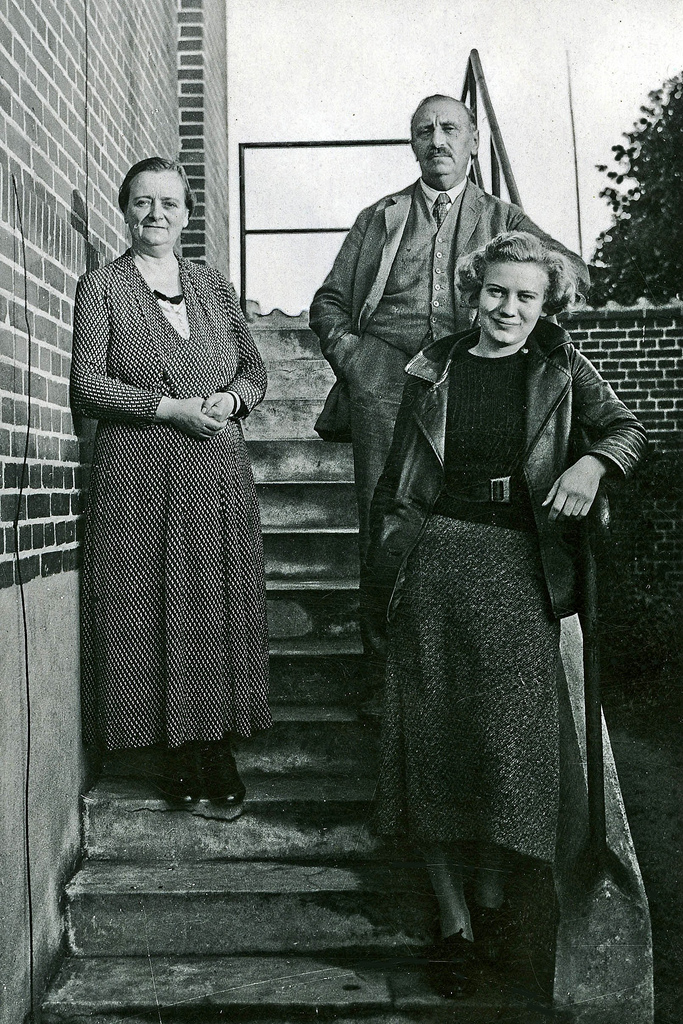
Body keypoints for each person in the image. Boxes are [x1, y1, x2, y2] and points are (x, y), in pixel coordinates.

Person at [363, 232, 646, 997]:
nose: (507, 308)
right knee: (434, 748)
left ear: (544, 302)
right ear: (472, 291)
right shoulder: (434, 367)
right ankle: (454, 924)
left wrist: (588, 462)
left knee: (502, 753)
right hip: (434, 566)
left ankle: (492, 910)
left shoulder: (559, 365)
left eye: (524, 296)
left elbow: (626, 430)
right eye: (495, 292)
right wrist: (383, 578)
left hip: (522, 571)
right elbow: (396, 484)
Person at [310, 95, 590, 566]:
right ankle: (383, 641)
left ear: (475, 143)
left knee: (457, 519)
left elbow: (574, 273)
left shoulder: (503, 217)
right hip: (383, 385)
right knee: (383, 528)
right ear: (414, 144)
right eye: (425, 131)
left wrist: (515, 304)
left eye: (450, 130)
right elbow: (329, 302)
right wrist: (356, 361)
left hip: (468, 379)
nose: (437, 141)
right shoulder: (380, 216)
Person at [71, 157, 271, 815]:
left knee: (213, 610)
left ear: (186, 213)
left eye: (168, 203)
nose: (155, 215)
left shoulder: (212, 285)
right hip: (141, 476)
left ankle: (217, 744)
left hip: (216, 475)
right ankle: (177, 751)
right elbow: (89, 384)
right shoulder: (101, 287)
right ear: (124, 210)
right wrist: (167, 409)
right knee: (154, 608)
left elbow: (252, 370)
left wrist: (229, 403)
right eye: (141, 203)